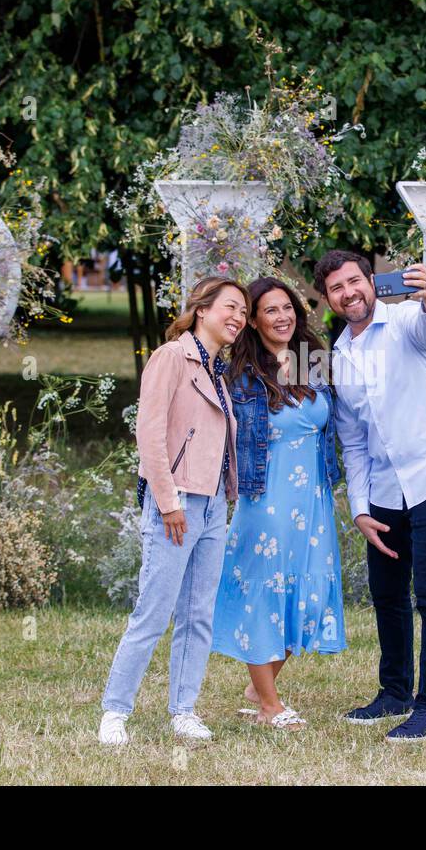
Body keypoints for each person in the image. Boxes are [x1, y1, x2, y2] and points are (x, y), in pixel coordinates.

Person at [317, 249, 426, 743]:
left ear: (370, 280)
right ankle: (394, 693)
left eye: (354, 282)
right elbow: (355, 441)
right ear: (328, 298)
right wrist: (360, 509)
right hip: (386, 486)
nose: (349, 293)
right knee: (387, 592)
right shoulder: (338, 356)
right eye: (336, 289)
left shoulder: (408, 319)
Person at [98, 276, 247, 747]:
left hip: (211, 507)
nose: (239, 317)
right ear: (201, 309)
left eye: (243, 311)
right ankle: (115, 713)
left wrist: (228, 495)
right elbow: (150, 432)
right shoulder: (171, 358)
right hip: (176, 502)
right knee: (154, 611)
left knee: (198, 614)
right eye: (230, 307)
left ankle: (183, 710)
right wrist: (167, 502)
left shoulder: (217, 369)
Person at [211, 276, 346, 731]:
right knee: (264, 592)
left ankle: (258, 685)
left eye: (287, 307)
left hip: (314, 498)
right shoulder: (242, 375)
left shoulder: (313, 361)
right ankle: (269, 705)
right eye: (270, 310)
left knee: (310, 595)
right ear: (253, 319)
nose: (282, 316)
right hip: (265, 499)